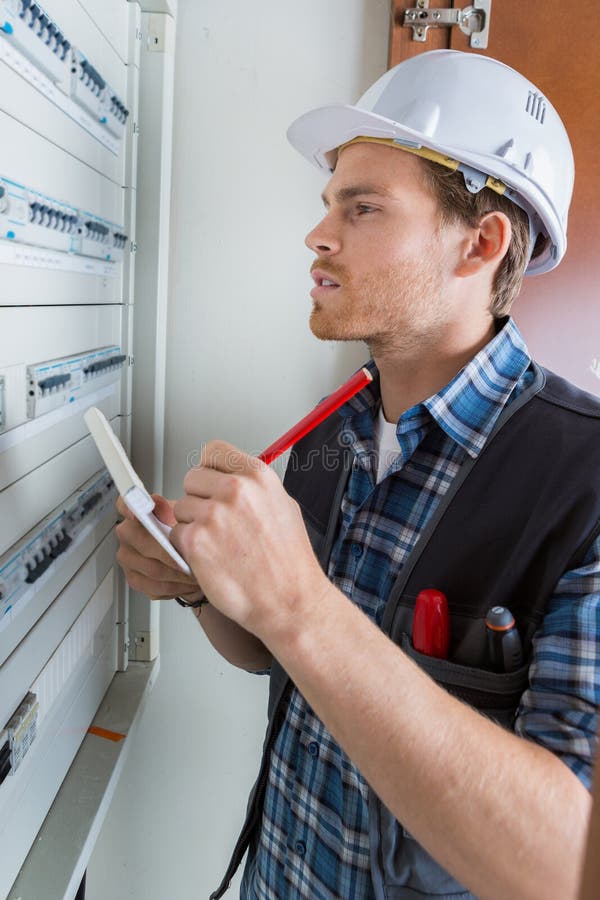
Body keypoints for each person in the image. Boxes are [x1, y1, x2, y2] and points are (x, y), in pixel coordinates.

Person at [116, 50, 600, 900]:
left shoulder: (586, 481)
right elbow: (282, 658)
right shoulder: (329, 433)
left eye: (363, 206)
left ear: (479, 244)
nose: (318, 234)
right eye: (328, 203)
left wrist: (300, 606)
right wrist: (202, 587)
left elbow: (566, 864)